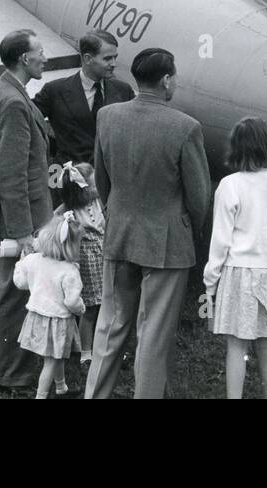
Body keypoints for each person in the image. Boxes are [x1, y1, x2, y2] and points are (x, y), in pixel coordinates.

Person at [84, 48, 211, 399]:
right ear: (167, 79)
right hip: (167, 244)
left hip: (120, 234)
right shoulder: (186, 128)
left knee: (110, 328)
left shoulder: (107, 116)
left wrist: (114, 213)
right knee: (153, 334)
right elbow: (199, 197)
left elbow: (101, 177)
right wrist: (192, 229)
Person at [0, 29, 51, 392]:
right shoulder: (16, 102)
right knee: (15, 294)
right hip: (16, 216)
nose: (45, 57)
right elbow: (11, 172)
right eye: (39, 52)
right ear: (23, 58)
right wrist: (22, 231)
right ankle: (11, 375)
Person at [203, 117, 267, 399]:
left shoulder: (230, 185)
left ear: (237, 148)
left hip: (238, 273)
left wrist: (211, 281)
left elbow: (220, 239)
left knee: (237, 346)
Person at [32, 29, 134, 167]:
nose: (113, 63)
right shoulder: (55, 90)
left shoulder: (123, 91)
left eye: (115, 57)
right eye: (107, 58)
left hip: (109, 178)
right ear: (87, 59)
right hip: (67, 178)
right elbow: (25, 122)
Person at [13, 211, 86, 398]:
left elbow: (20, 283)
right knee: (52, 361)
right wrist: (81, 308)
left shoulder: (33, 261)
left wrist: (20, 263)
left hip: (37, 318)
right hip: (58, 323)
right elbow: (71, 301)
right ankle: (41, 396)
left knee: (56, 356)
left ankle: (61, 388)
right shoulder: (70, 271)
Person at [53, 161, 104, 361]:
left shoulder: (98, 201)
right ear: (78, 192)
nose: (96, 189)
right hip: (87, 260)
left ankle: (103, 346)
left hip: (103, 257)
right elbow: (55, 220)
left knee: (104, 305)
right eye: (91, 186)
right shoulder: (70, 209)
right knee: (89, 307)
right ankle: (86, 353)